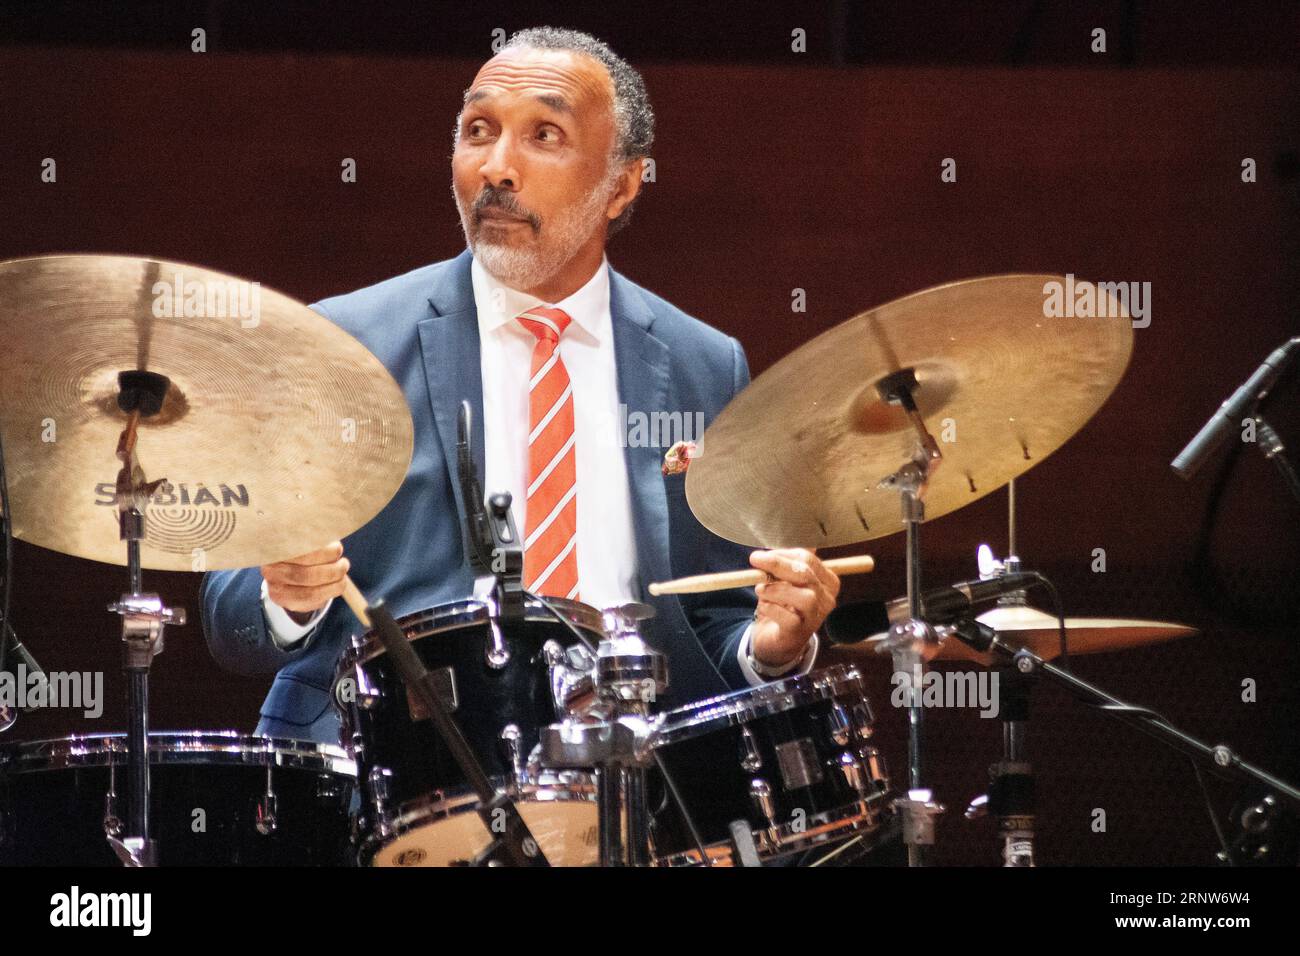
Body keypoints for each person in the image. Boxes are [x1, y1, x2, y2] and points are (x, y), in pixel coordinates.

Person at [201, 26, 841, 744]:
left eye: (544, 134)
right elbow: (229, 610)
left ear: (623, 184)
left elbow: (722, 618)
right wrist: (284, 597)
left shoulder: (704, 363)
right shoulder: (345, 345)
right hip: (393, 768)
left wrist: (771, 647)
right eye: (479, 130)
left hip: (632, 777)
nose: (497, 168)